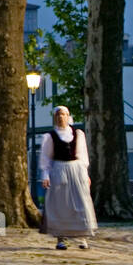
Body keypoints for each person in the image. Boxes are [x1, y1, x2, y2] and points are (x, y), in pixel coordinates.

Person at [39, 105, 97, 250]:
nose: (61, 117)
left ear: (68, 116)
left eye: (63, 114)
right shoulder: (50, 137)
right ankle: (61, 238)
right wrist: (45, 175)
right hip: (59, 170)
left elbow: (82, 155)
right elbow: (46, 158)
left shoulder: (78, 134)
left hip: (76, 170)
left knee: (80, 203)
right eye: (58, 115)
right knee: (61, 205)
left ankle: (82, 237)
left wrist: (85, 173)